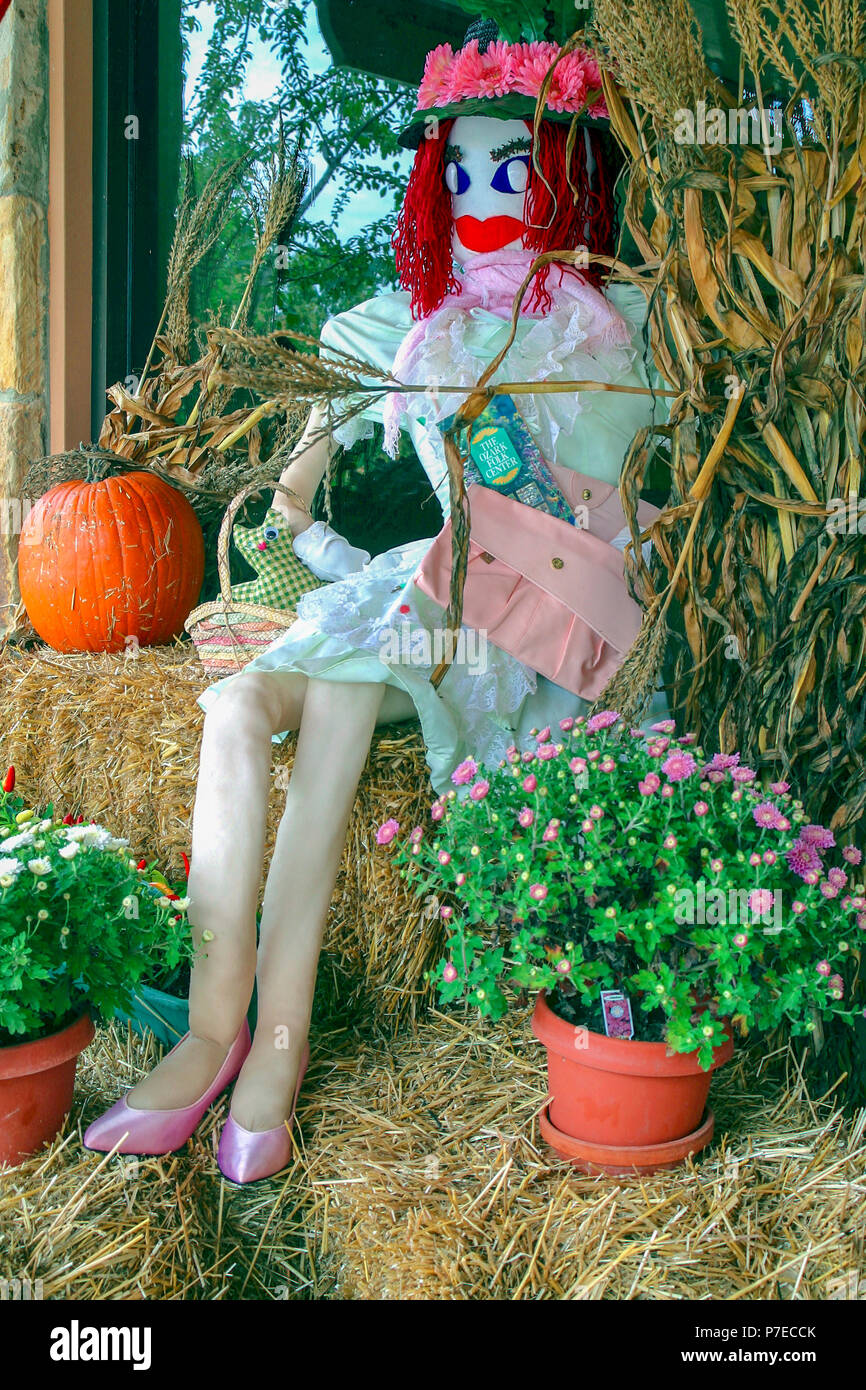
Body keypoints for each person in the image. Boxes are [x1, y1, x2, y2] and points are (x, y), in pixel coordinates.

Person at [84, 20, 665, 1183]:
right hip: (414, 594)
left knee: (344, 700)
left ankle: (276, 1047)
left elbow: (646, 520)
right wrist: (335, 552)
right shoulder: (411, 327)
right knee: (236, 705)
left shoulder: (618, 331)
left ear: (562, 182)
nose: (480, 192)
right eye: (458, 171)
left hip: (520, 624)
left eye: (509, 169)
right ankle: (212, 1026)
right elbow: (291, 499)